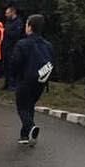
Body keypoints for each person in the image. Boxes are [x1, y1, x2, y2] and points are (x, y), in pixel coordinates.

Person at [10, 13, 54, 145]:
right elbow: (52, 62)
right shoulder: (48, 45)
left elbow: (16, 62)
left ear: (30, 26)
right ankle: (25, 136)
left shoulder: (23, 44)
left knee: (22, 108)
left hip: (25, 80)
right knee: (29, 107)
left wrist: (13, 76)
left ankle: (31, 127)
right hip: (40, 81)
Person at [2, 4, 23, 90]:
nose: (6, 15)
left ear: (13, 12)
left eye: (7, 13)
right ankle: (7, 83)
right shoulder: (8, 22)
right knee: (6, 66)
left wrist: (6, 31)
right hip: (6, 47)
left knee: (12, 66)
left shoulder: (18, 22)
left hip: (13, 47)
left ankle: (13, 84)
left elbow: (16, 35)